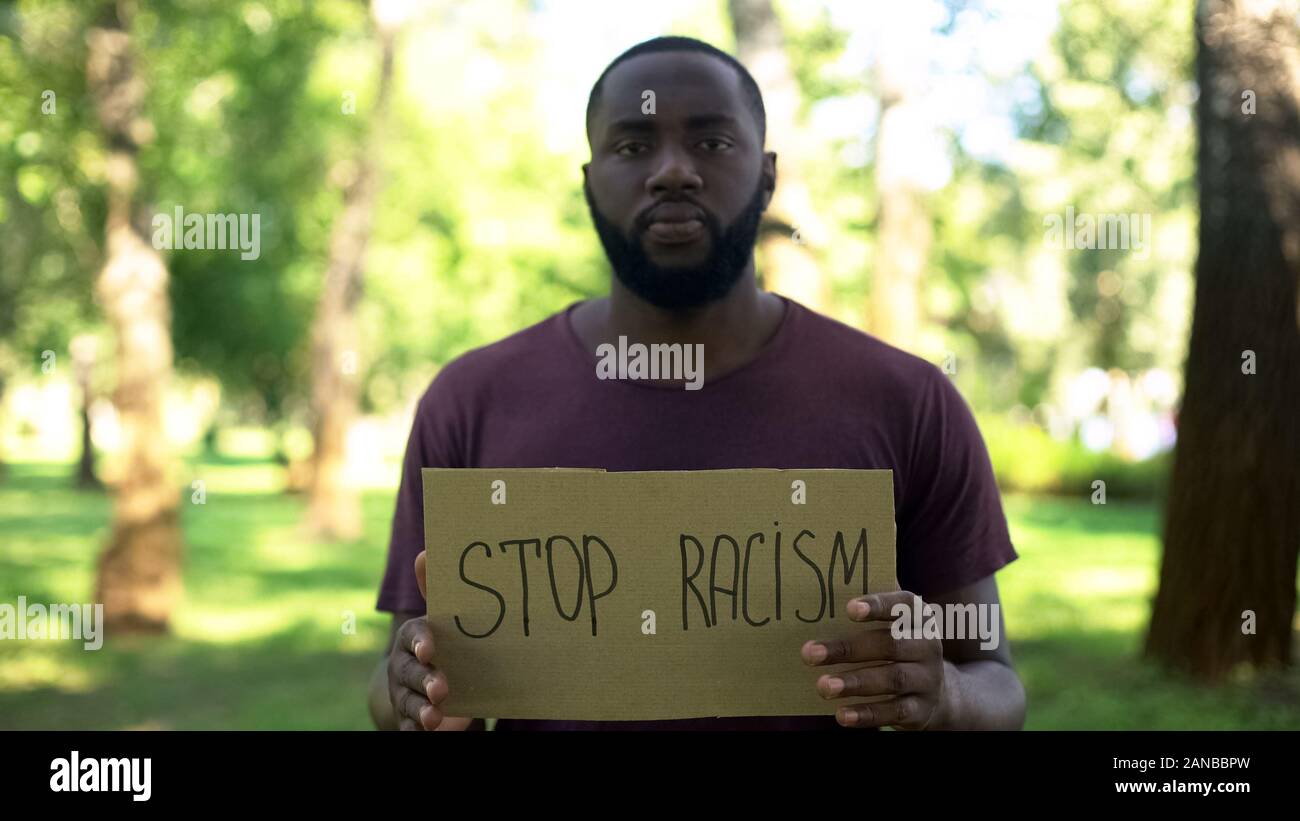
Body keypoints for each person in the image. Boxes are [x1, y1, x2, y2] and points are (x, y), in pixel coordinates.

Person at [367, 35, 1025, 731]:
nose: (673, 171)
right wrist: (414, 695)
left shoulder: (910, 400)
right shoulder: (471, 400)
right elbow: (396, 680)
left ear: (768, 176)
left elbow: (996, 684)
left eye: (711, 143)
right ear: (590, 181)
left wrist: (943, 693)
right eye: (633, 146)